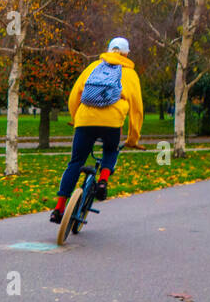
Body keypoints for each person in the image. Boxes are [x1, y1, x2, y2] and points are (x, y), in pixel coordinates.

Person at [50, 37, 144, 224]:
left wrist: (75, 118)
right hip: (112, 122)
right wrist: (133, 138)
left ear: (108, 50)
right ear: (126, 54)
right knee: (110, 150)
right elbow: (137, 109)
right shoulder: (131, 75)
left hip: (85, 119)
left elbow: (74, 95)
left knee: (75, 162)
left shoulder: (93, 67)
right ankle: (102, 181)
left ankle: (58, 209)